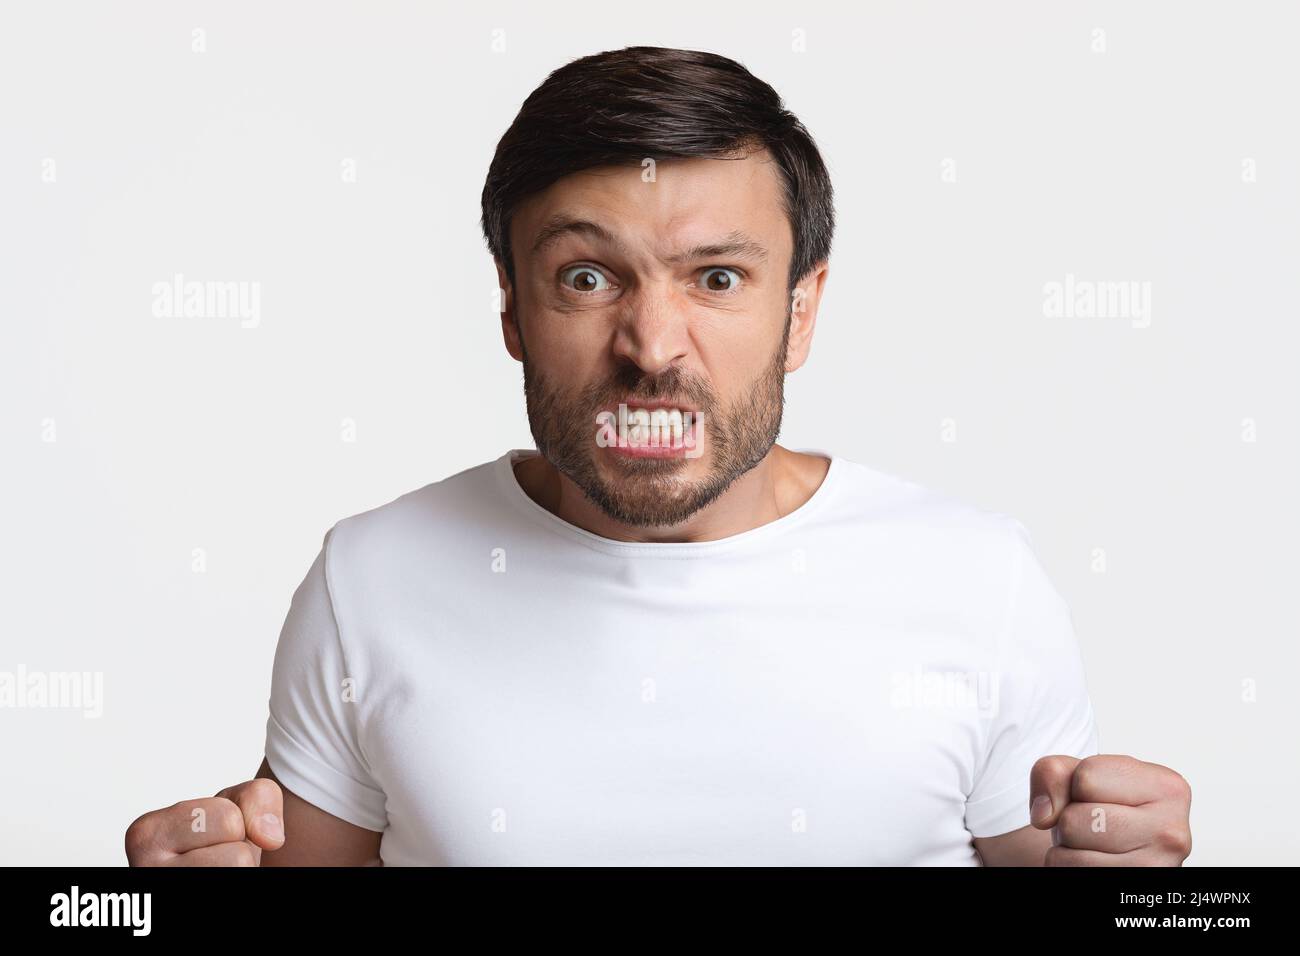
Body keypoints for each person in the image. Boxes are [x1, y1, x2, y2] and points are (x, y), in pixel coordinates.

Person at [126, 46, 1192, 866]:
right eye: (587, 277)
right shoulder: (371, 577)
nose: (651, 346)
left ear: (802, 309)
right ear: (510, 307)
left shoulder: (976, 578)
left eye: (716, 277)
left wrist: (1144, 892)